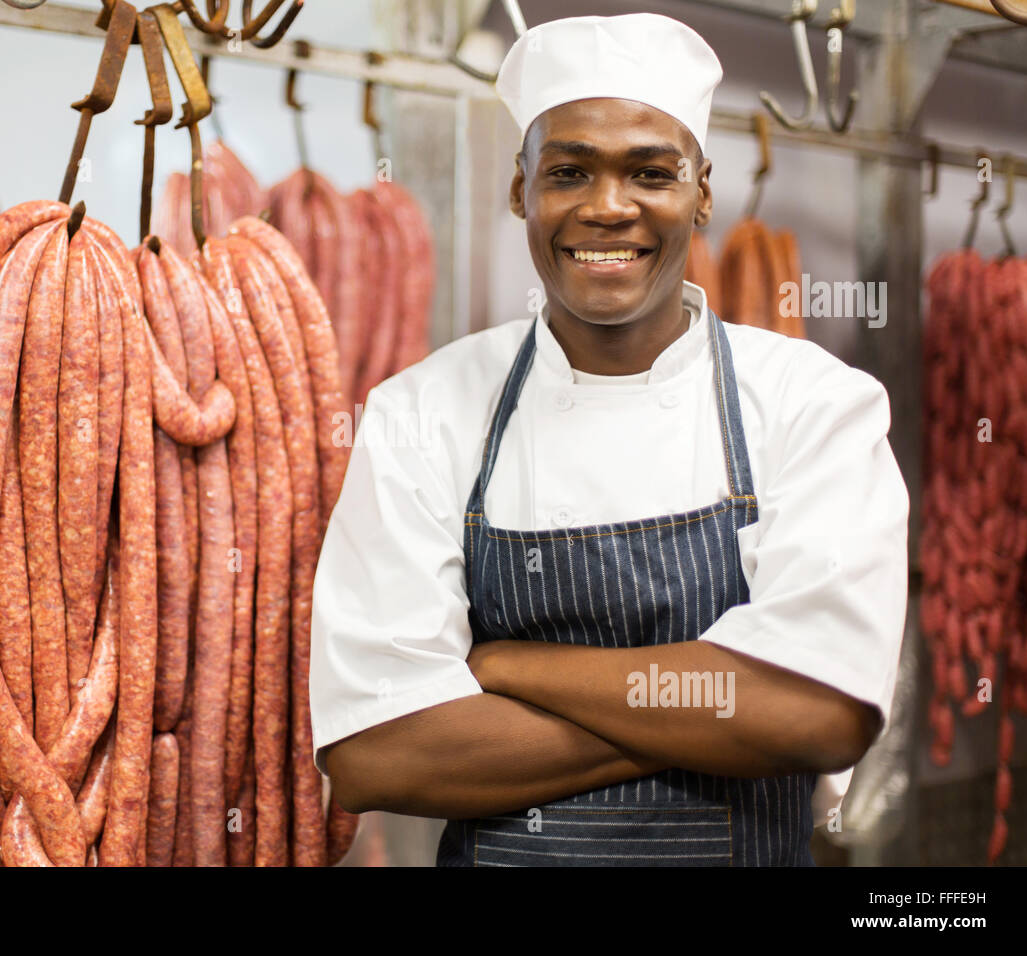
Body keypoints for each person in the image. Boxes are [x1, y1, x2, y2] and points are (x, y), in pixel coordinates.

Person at [309, 13, 909, 866]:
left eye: (650, 173)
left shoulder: (815, 405)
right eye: (568, 171)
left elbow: (821, 715)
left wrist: (513, 668)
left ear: (701, 191)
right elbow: (376, 753)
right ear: (522, 190)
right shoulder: (421, 414)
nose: (607, 207)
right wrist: (730, 713)